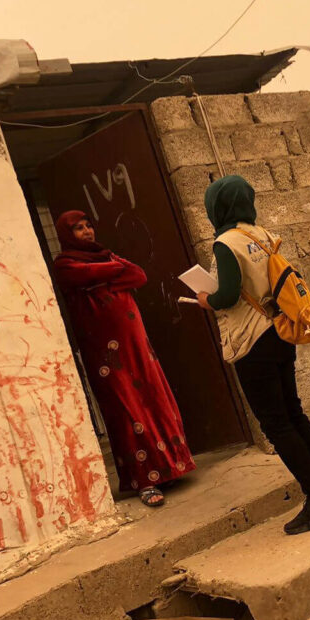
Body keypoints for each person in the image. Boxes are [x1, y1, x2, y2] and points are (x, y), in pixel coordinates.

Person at [195, 176, 310, 535]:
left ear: (217, 206)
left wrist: (206, 300)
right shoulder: (260, 234)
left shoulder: (225, 242)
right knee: (294, 413)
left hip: (252, 340)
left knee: (276, 423)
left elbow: (228, 295)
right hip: (278, 331)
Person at [52, 210, 194, 507]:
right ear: (68, 235)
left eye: (89, 225)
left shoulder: (105, 255)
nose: (88, 232)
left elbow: (138, 275)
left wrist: (105, 278)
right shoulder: (65, 265)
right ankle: (144, 480)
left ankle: (170, 467)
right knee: (126, 407)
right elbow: (89, 275)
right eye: (79, 229)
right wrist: (111, 273)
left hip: (135, 345)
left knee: (154, 399)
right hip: (105, 354)